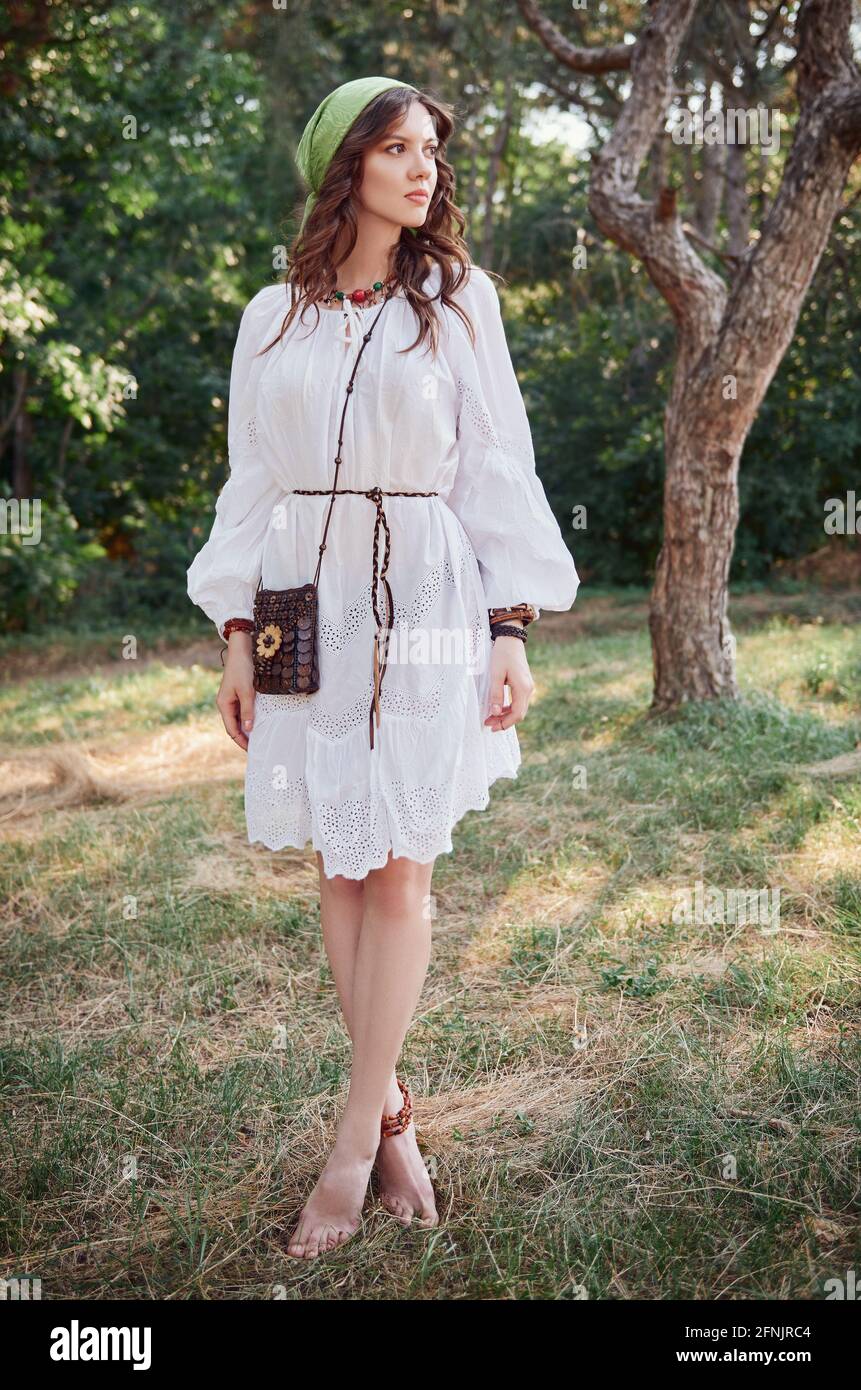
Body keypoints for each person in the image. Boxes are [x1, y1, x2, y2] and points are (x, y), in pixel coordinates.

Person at [186, 76, 579, 1259]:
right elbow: (251, 486)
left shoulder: (461, 301)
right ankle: (396, 1108)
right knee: (342, 861)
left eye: (432, 151)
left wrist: (509, 625)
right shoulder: (274, 315)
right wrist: (235, 640)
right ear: (344, 164)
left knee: (401, 863)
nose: (425, 170)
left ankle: (353, 1147)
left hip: (431, 594)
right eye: (398, 148)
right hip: (307, 594)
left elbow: (498, 468)